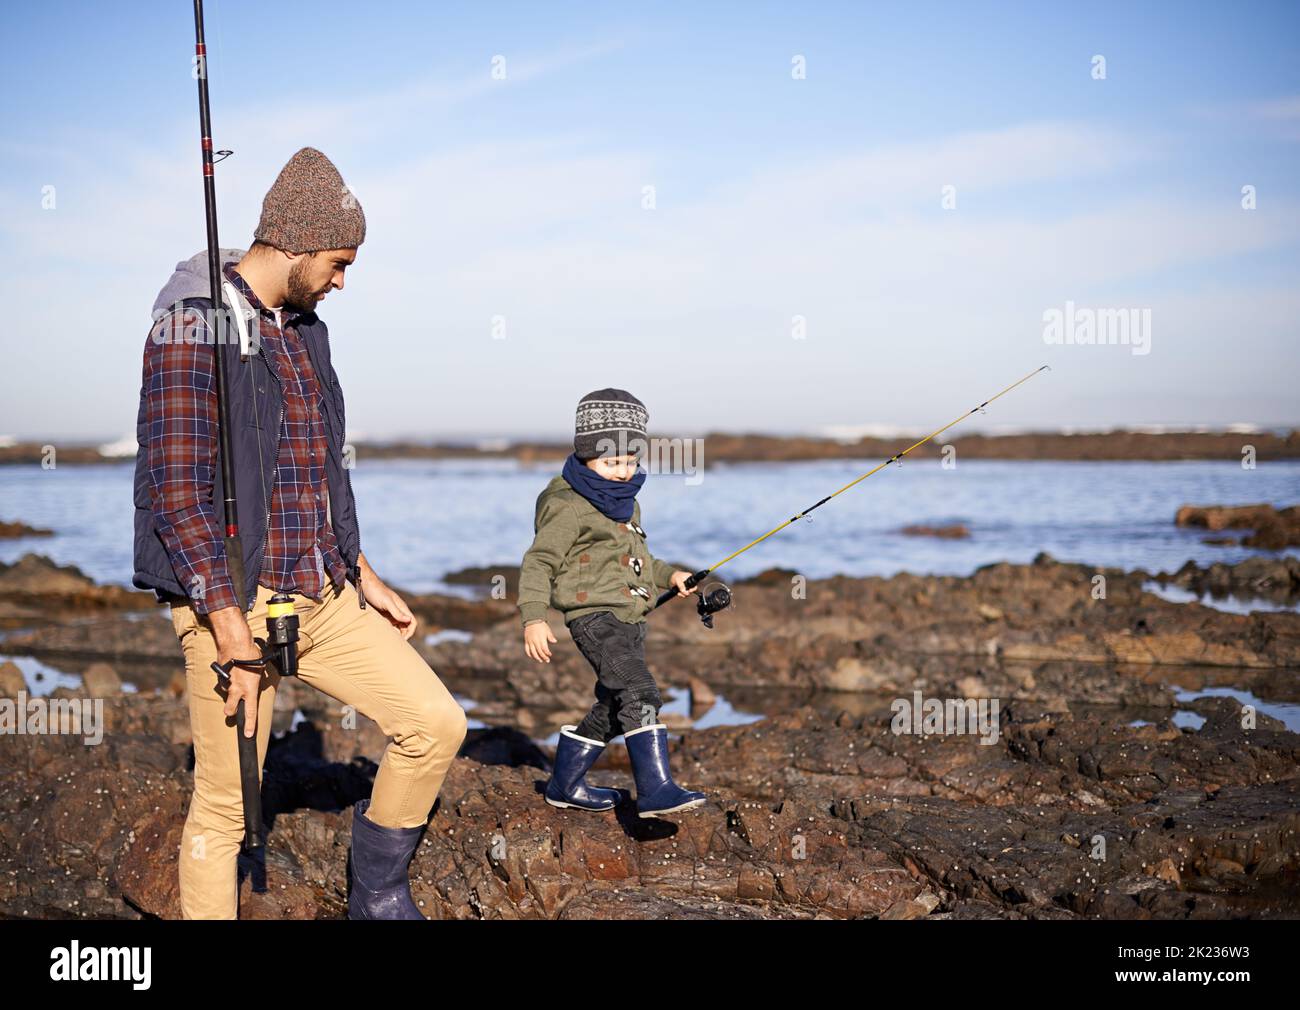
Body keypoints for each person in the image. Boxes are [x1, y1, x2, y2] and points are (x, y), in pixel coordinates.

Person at [132, 147, 466, 919]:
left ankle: (376, 896)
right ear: (295, 242)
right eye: (339, 262)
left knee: (435, 723)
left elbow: (316, 469)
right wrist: (229, 634)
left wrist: (361, 567)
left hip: (321, 597)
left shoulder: (304, 328)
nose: (344, 280)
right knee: (226, 807)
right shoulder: (192, 322)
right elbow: (175, 495)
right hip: (234, 608)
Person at [518, 388, 707, 818]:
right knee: (641, 691)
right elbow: (538, 562)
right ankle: (656, 791)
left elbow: (638, 559)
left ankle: (564, 785)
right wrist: (534, 619)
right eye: (612, 462)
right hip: (593, 618)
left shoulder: (627, 504)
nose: (623, 472)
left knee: (613, 706)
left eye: (630, 461)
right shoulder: (566, 505)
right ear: (586, 456)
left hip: (630, 620)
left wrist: (671, 576)